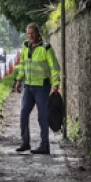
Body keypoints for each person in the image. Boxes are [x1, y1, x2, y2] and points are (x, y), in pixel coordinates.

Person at [13, 23, 61, 154]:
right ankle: (25, 142)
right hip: (28, 86)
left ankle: (44, 146)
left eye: (32, 33)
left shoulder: (46, 48)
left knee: (42, 117)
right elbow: (22, 64)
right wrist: (19, 79)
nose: (30, 36)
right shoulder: (25, 46)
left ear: (38, 33)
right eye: (28, 34)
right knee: (23, 114)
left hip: (42, 87)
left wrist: (55, 84)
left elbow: (54, 67)